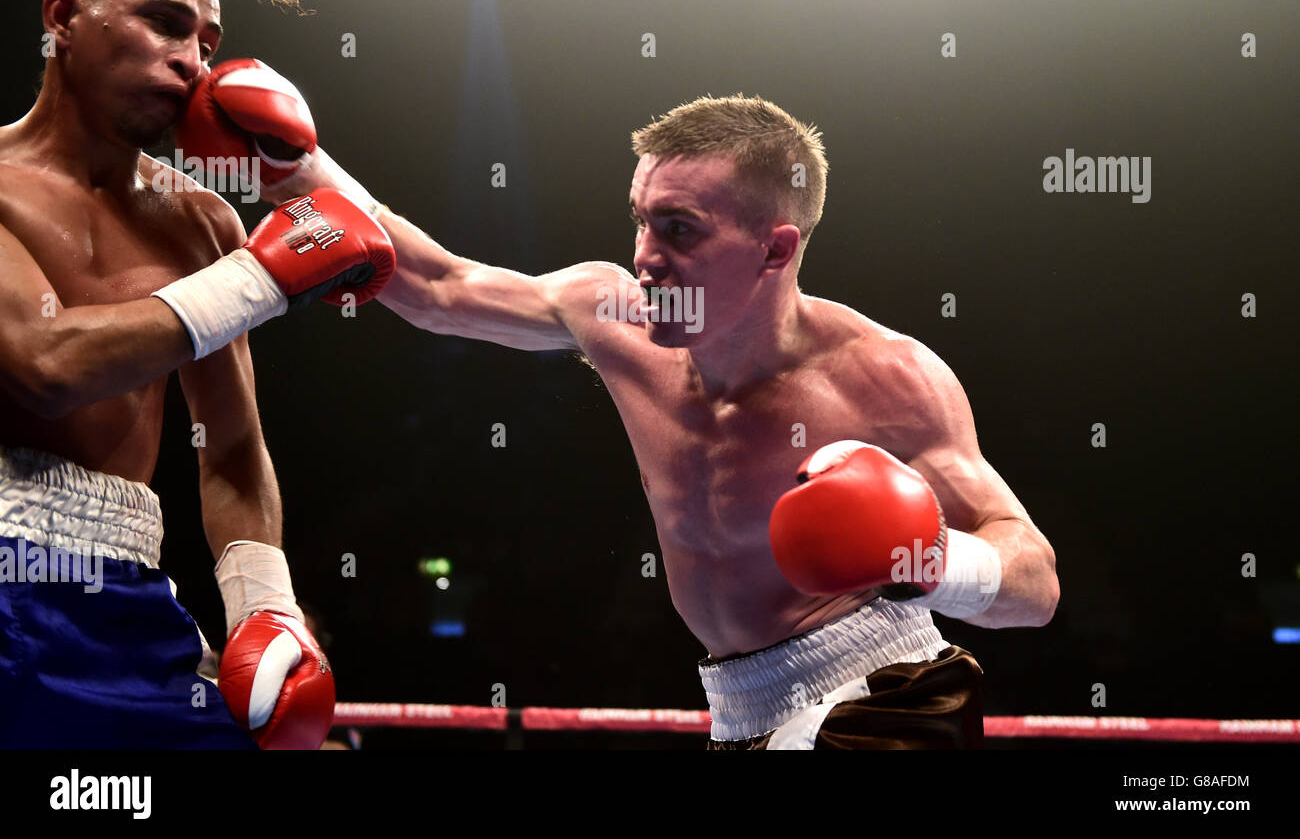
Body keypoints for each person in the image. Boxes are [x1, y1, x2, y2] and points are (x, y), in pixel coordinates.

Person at [253, 69, 1059, 747]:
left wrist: (926, 556)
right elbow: (437, 286)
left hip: (883, 695)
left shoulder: (886, 378)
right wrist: (299, 164)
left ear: (776, 248)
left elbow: (1037, 585)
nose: (644, 256)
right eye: (641, 219)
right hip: (742, 710)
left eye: (680, 229)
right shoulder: (613, 314)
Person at [0, 0, 392, 748]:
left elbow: (232, 452)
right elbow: (43, 362)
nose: (191, 62)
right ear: (63, 19)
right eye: (165, 23)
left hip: (131, 596)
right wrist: (263, 277)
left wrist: (266, 609)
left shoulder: (203, 223)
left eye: (208, 43)